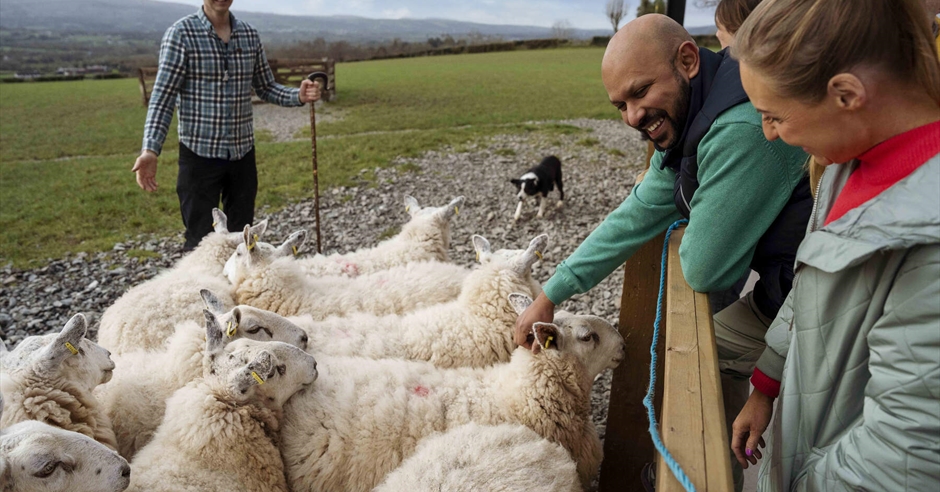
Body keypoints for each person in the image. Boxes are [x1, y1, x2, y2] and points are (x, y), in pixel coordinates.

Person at [513, 14, 811, 490]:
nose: (632, 116)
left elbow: (705, 265)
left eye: (640, 92)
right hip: (790, 273)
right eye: (620, 106)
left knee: (702, 359)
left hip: (808, 287)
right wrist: (550, 293)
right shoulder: (693, 116)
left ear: (688, 60)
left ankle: (711, 470)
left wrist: (696, 210)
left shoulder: (736, 129)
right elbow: (635, 214)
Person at [729, 0, 940, 489]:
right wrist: (766, 383)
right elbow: (812, 286)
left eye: (773, 115)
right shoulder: (845, 163)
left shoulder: (927, 241)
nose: (768, 133)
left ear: (845, 93)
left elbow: (903, 456)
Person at [132, 0, 321, 251]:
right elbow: (163, 96)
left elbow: (265, 86)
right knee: (201, 242)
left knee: (243, 238)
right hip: (199, 156)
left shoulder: (249, 34)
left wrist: (298, 96)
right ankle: (198, 290)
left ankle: (238, 290)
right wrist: (150, 150)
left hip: (242, 156)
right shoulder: (181, 34)